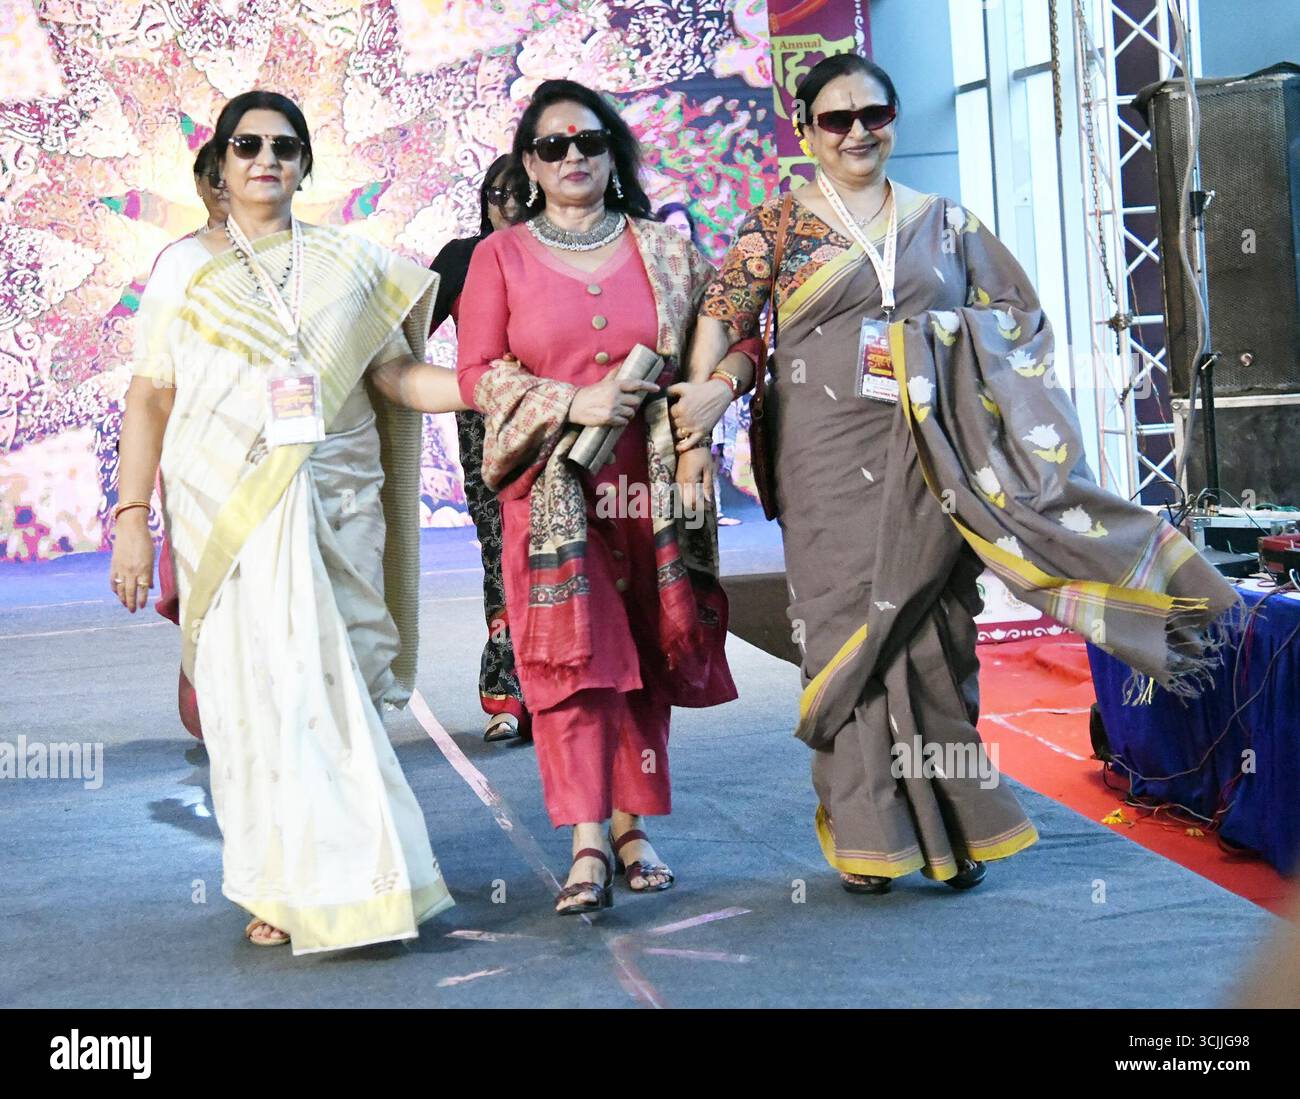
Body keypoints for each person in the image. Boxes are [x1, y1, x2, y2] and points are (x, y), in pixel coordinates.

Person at [672, 53, 1237, 895]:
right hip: (822, 455)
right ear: (805, 132)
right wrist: (696, 429)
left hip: (936, 456)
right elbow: (724, 320)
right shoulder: (778, 226)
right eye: (838, 119)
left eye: (875, 114)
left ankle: (955, 828)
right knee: (843, 629)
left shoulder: (947, 222)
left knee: (935, 628)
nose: (859, 132)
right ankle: (872, 834)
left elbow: (1019, 321)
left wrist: (942, 346)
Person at [110, 90, 467, 952]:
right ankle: (276, 879)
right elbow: (152, 394)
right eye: (247, 146)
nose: (266, 159)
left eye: (284, 146)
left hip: (336, 497)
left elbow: (395, 378)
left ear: (305, 164)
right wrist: (131, 516)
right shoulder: (183, 269)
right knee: (251, 698)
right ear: (220, 167)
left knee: (333, 687)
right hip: (223, 508)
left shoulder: (347, 262)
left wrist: (483, 387)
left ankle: (366, 882)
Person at [452, 79, 752, 915]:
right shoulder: (498, 257)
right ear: (529, 165)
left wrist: (722, 385)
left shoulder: (666, 250)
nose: (573, 156)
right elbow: (477, 375)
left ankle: (634, 825)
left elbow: (737, 331)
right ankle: (586, 837)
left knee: (648, 652)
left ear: (612, 151)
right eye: (553, 146)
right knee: (573, 663)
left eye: (588, 141)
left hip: (649, 482)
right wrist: (568, 402)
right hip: (552, 489)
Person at [429, 155, 532, 743]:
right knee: (503, 553)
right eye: (497, 194)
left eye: (521, 194)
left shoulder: (561, 249)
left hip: (564, 418)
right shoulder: (463, 257)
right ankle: (508, 693)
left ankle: (560, 688)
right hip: (486, 428)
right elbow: (404, 336)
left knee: (565, 553)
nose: (510, 206)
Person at [153, 139, 230, 742]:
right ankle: (209, 705)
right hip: (198, 456)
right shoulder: (178, 264)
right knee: (207, 594)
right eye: (213, 178)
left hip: (283, 459)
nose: (225, 187)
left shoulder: (308, 261)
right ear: (201, 186)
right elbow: (154, 381)